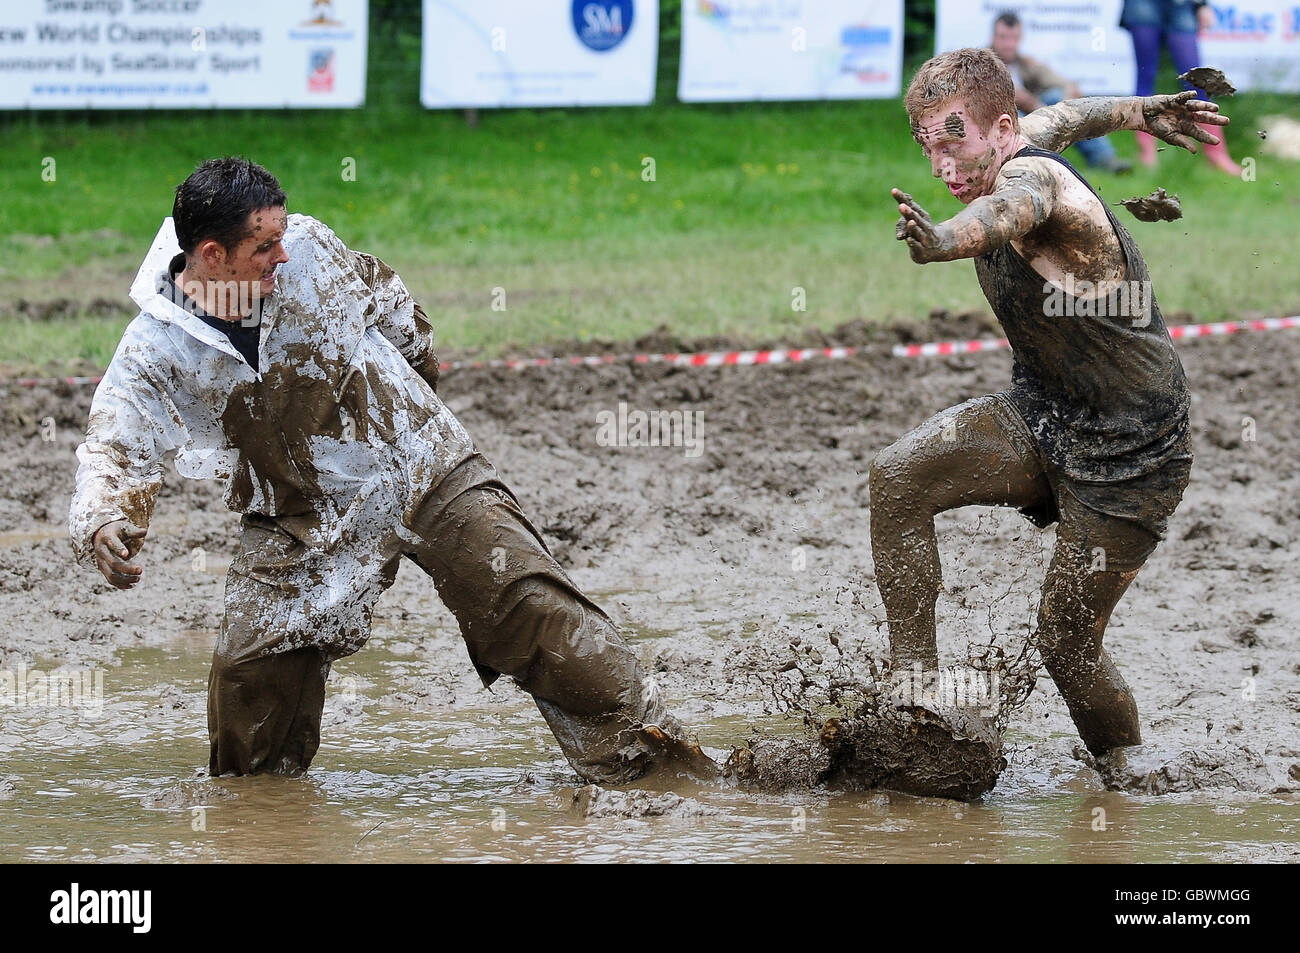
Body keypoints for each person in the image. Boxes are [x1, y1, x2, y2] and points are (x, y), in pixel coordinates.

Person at [69, 157, 715, 784]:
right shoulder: (154, 347)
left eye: (282, 235)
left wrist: (418, 383)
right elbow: (115, 436)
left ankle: (655, 762)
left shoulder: (312, 249)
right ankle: (259, 822)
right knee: (248, 673)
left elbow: (391, 301)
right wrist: (105, 517)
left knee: (530, 604)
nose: (282, 255)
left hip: (416, 458)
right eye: (264, 246)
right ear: (212, 255)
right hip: (299, 510)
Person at [877, 48, 1229, 755]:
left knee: (1065, 641)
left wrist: (941, 241)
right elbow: (1069, 115)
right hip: (1043, 413)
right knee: (898, 477)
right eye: (928, 146)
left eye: (955, 139)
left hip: (1132, 449)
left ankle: (1125, 777)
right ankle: (911, 704)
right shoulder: (1027, 132)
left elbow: (1005, 213)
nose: (943, 166)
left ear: (1000, 127)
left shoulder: (1029, 178)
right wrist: (1139, 111)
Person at [990, 10, 1132, 174]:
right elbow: (1014, 96)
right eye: (1003, 38)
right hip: (1003, 124)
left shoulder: (1025, 64)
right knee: (1016, 117)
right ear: (994, 37)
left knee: (1059, 99)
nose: (1009, 44)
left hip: (1034, 116)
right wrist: (1039, 106)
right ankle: (1029, 167)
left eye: (1013, 38)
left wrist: (1065, 108)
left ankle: (1105, 158)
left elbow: (1065, 84)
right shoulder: (985, 63)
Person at [1121, 0, 1241, 172]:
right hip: (1143, 4)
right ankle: (1147, 154)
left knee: (1197, 79)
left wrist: (1201, 5)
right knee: (1145, 76)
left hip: (1182, 5)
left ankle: (1216, 154)